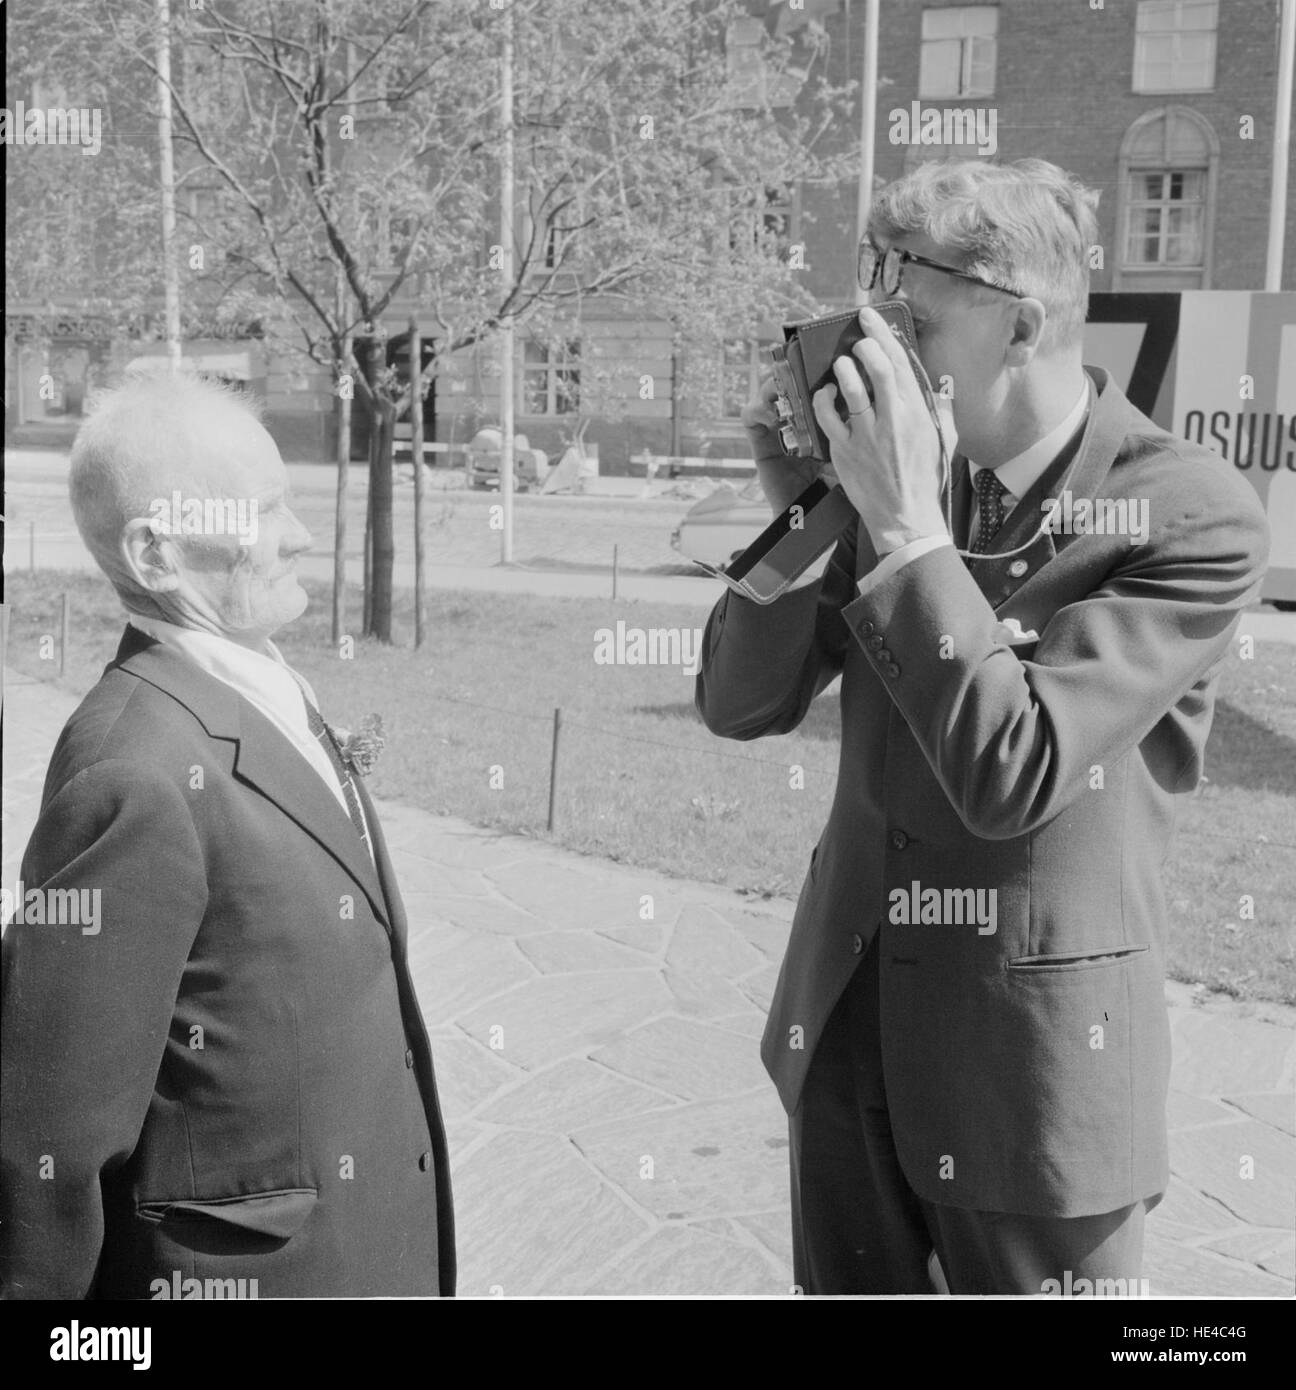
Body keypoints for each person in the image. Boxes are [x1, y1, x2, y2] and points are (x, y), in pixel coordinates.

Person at [695, 159, 1269, 1295]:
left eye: (908, 306)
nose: (873, 333)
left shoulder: (1187, 509)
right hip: (847, 1036)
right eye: (868, 292)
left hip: (1032, 1077)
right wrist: (803, 501)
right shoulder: (900, 471)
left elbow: (1016, 771)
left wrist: (907, 534)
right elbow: (737, 701)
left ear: (1022, 322)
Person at [1, 373, 454, 1298]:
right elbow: (52, 1138)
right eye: (264, 511)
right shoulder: (133, 769)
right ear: (156, 552)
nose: (299, 535)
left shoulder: (255, 680)